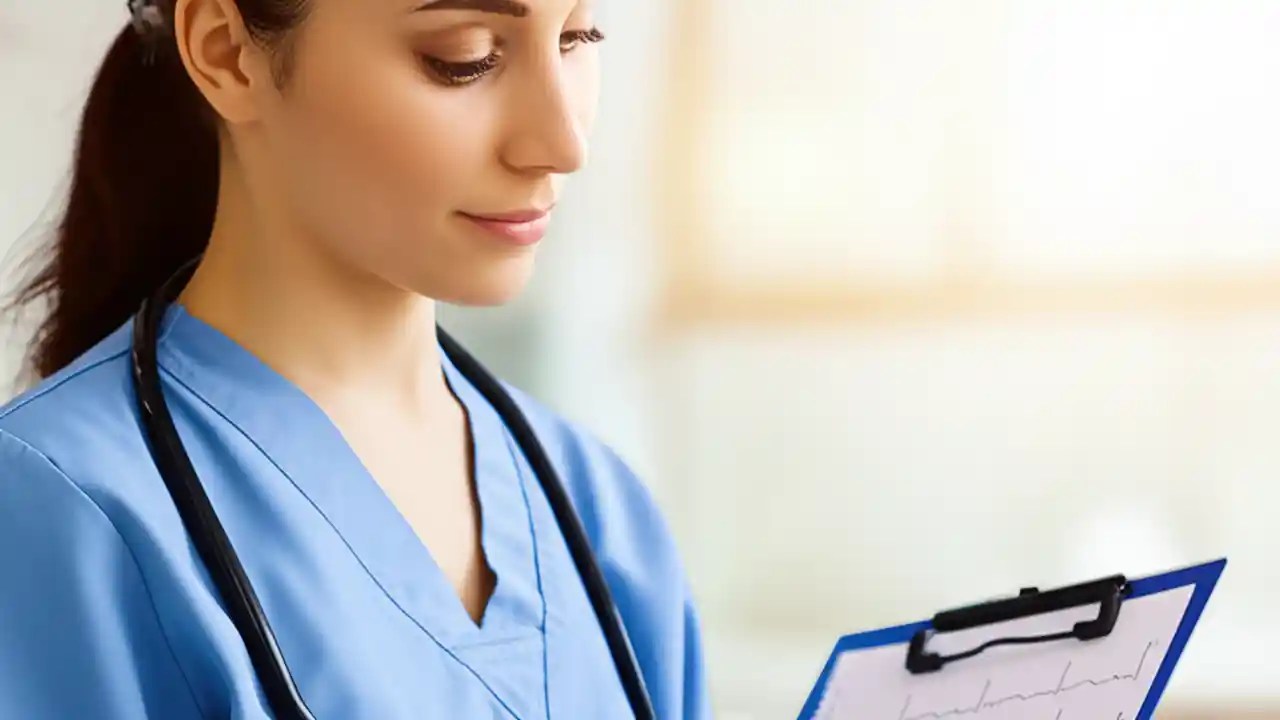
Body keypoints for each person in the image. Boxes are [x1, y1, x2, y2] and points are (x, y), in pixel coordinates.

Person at [0, 0, 710, 717]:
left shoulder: (598, 511)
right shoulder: (57, 508)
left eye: (577, 37)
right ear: (225, 53)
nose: (562, 143)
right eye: (463, 58)